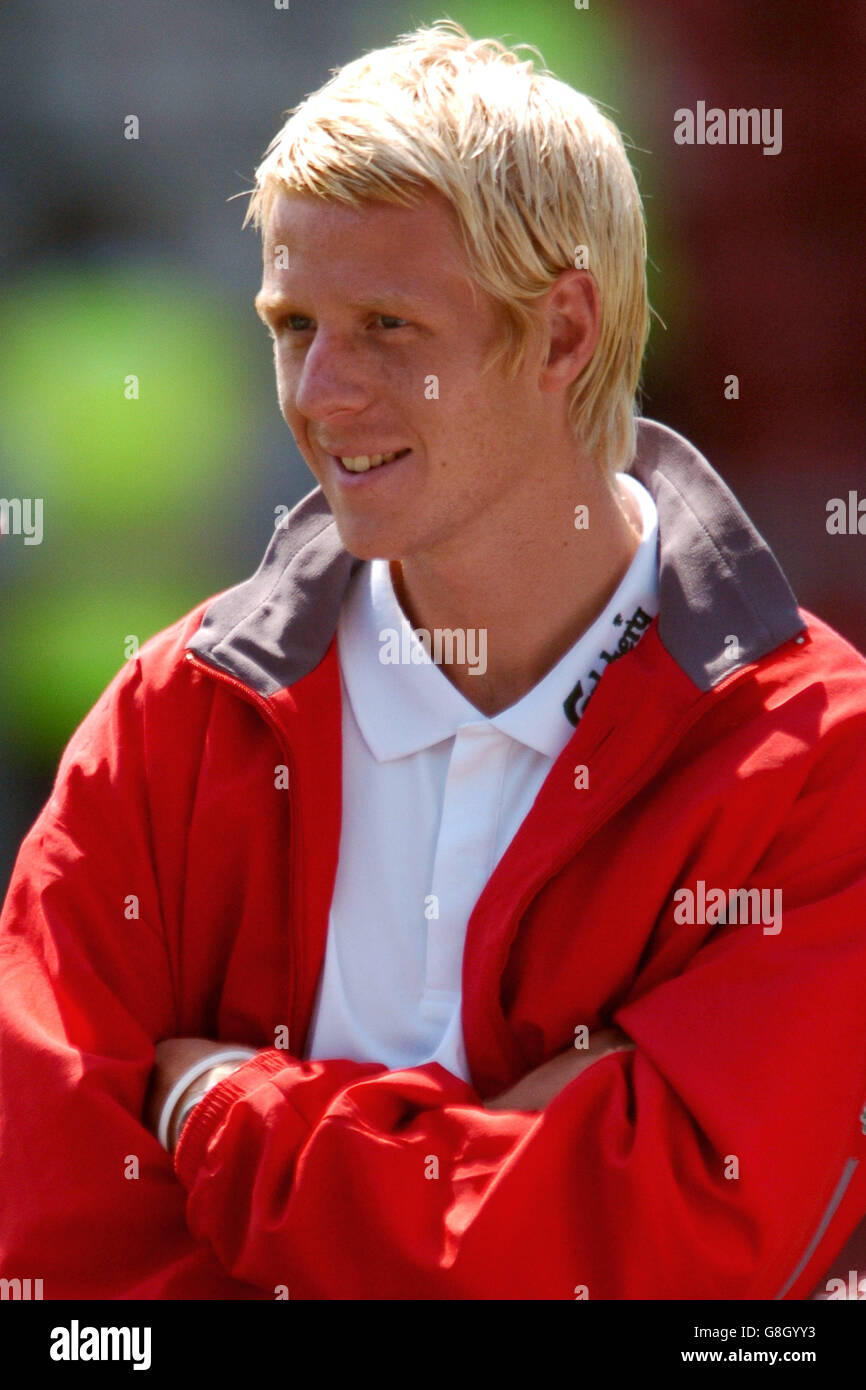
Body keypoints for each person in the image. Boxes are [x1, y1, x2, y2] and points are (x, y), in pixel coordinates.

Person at [2, 20, 865, 1302]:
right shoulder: (162, 728)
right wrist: (503, 1152)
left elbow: (670, 1261)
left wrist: (217, 1105)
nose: (320, 390)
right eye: (293, 323)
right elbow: (63, 1277)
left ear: (564, 333)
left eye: (387, 325)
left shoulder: (820, 762)